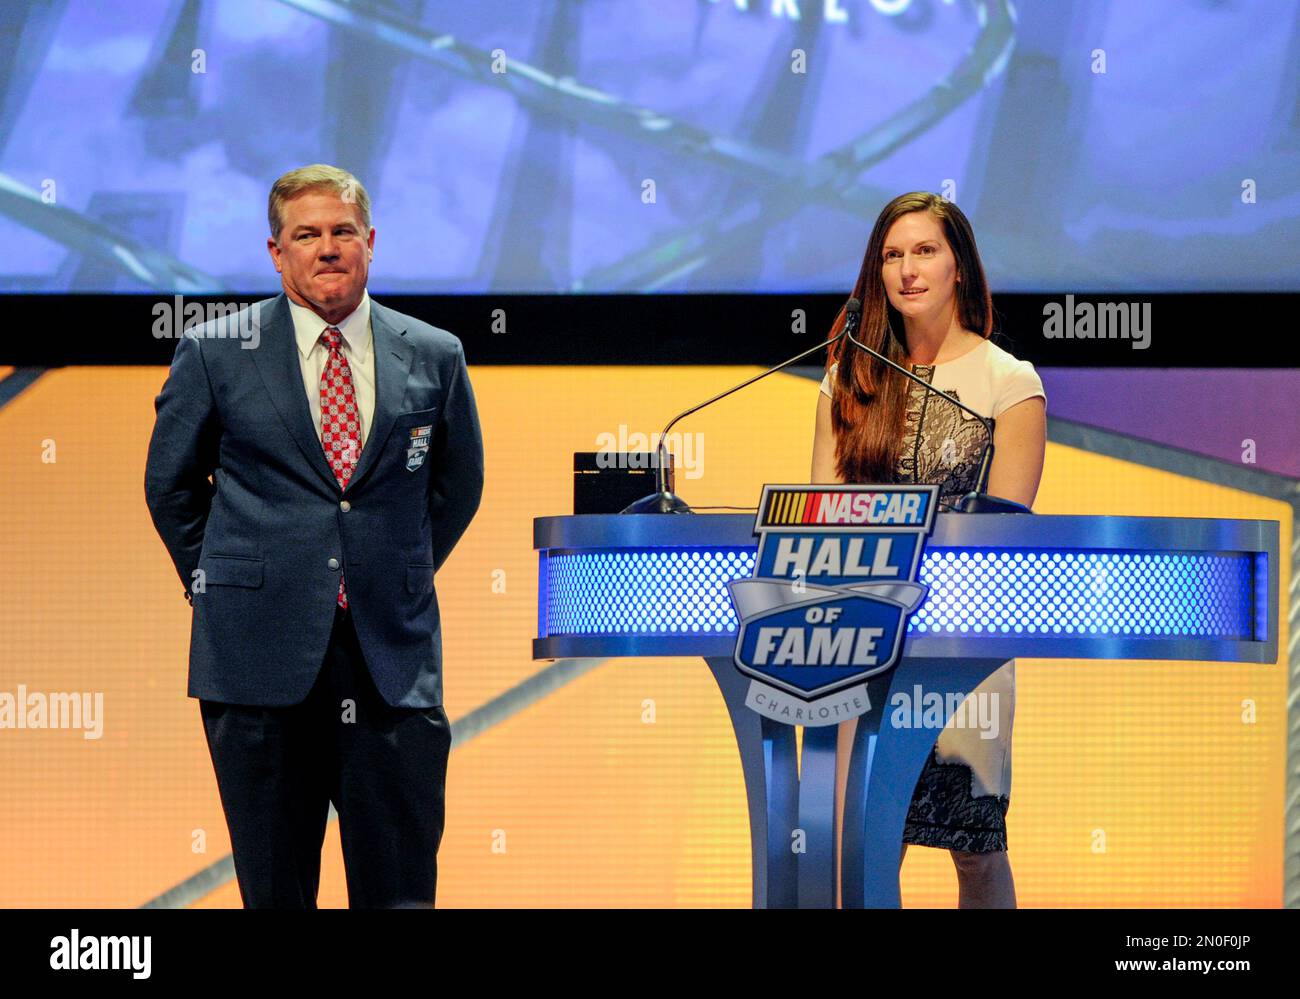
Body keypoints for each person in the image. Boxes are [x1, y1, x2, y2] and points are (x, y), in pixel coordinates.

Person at [145, 164, 484, 908]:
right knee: (276, 893)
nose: (327, 248)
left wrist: (390, 572)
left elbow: (458, 486)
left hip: (389, 662)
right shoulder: (213, 352)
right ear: (276, 251)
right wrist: (225, 585)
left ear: (371, 242)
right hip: (256, 663)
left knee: (400, 895)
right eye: (307, 235)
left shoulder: (434, 353)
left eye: (341, 232)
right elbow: (170, 486)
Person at [811, 191, 1046, 908]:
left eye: (924, 251)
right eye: (891, 255)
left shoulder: (1009, 384)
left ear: (959, 269)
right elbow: (821, 518)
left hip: (962, 650)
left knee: (975, 850)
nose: (907, 269)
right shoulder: (850, 378)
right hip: (860, 641)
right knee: (863, 845)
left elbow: (1004, 534)